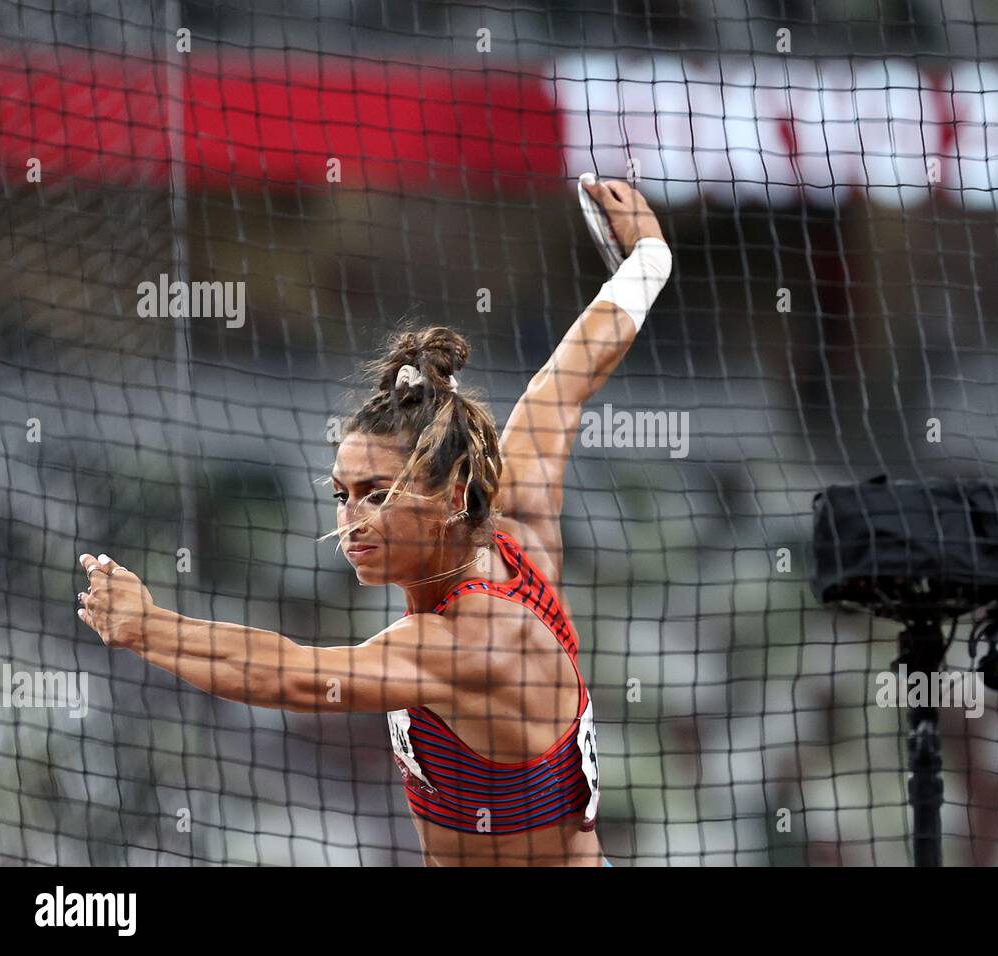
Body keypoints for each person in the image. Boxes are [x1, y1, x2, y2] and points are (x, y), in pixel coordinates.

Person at [77, 177, 672, 866]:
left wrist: (152, 629)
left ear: (451, 494)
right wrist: (648, 260)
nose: (350, 520)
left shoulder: (469, 642)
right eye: (342, 494)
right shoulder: (519, 526)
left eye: (376, 495)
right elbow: (565, 381)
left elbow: (291, 674)